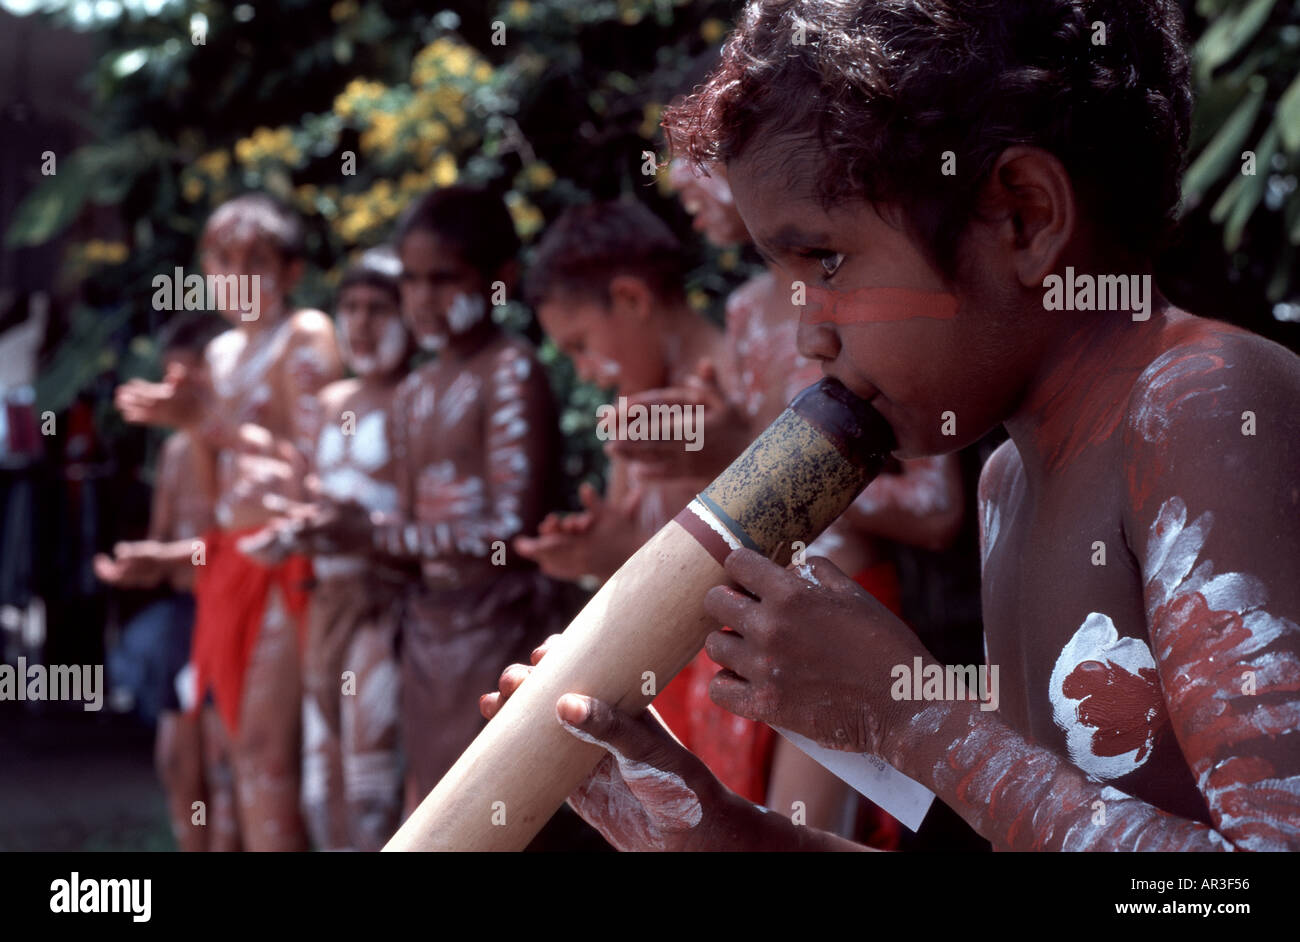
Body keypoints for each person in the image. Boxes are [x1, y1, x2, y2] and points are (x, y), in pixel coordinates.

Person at [484, 0, 1300, 851]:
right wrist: (715, 832)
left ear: (1023, 216)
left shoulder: (1205, 404)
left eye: (827, 261)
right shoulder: (1008, 482)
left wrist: (913, 720)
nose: (810, 333)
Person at [282, 187, 569, 812]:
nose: (422, 299)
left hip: (504, 628)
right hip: (427, 630)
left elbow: (509, 536)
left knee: (496, 818)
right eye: (411, 280)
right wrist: (328, 529)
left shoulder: (510, 371)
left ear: (502, 280)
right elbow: (408, 532)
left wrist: (372, 534)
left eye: (444, 279)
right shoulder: (416, 390)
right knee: (430, 812)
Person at [115, 193, 341, 850]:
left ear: (290, 270)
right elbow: (220, 495)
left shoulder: (307, 335)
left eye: (257, 259)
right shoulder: (215, 358)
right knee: (231, 754)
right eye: (222, 258)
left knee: (269, 754)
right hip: (227, 566)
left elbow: (313, 468)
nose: (238, 274)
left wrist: (201, 424)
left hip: (284, 562)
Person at [241, 247, 411, 850]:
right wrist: (293, 523)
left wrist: (360, 530)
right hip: (325, 599)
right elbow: (321, 497)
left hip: (383, 602)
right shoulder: (335, 401)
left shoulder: (415, 396)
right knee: (322, 777)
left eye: (379, 308)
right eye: (351, 307)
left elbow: (418, 516)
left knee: (371, 777)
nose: (361, 324)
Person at [95, 314, 220, 851]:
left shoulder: (238, 444)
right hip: (186, 616)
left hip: (236, 614)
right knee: (176, 759)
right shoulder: (171, 454)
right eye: (170, 376)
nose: (174, 390)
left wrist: (170, 555)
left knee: (227, 764)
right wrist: (140, 565)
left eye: (189, 376)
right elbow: (168, 542)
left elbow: (242, 544)